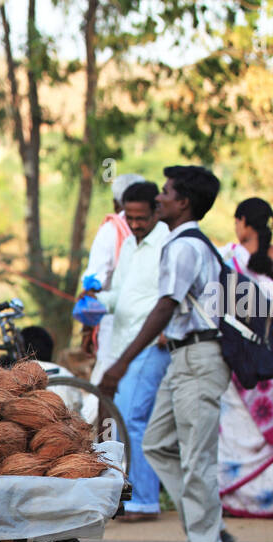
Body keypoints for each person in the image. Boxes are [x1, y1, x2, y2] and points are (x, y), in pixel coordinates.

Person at [99, 165, 233, 542]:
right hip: (184, 359)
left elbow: (164, 308)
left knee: (196, 460)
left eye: (166, 193)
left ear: (184, 202)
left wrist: (121, 363)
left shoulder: (184, 247)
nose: (159, 199)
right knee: (156, 444)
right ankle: (206, 529)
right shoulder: (184, 244)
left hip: (198, 358)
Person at [215, 198, 273, 518]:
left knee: (236, 423)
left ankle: (237, 499)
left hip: (240, 360)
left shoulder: (228, 261)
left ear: (242, 222)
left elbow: (221, 315)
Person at [94, 180, 170, 521]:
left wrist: (168, 327)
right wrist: (94, 300)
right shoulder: (129, 245)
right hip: (124, 342)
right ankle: (131, 494)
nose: (136, 223)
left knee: (132, 420)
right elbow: (120, 294)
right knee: (123, 419)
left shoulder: (168, 242)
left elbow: (172, 296)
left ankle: (143, 500)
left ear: (156, 211)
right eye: (131, 217)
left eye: (142, 217)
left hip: (152, 343)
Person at [84, 173, 145, 365]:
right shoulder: (159, 228)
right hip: (146, 322)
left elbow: (94, 283)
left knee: (107, 379)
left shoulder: (112, 230)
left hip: (116, 321)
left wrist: (87, 329)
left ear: (115, 203)